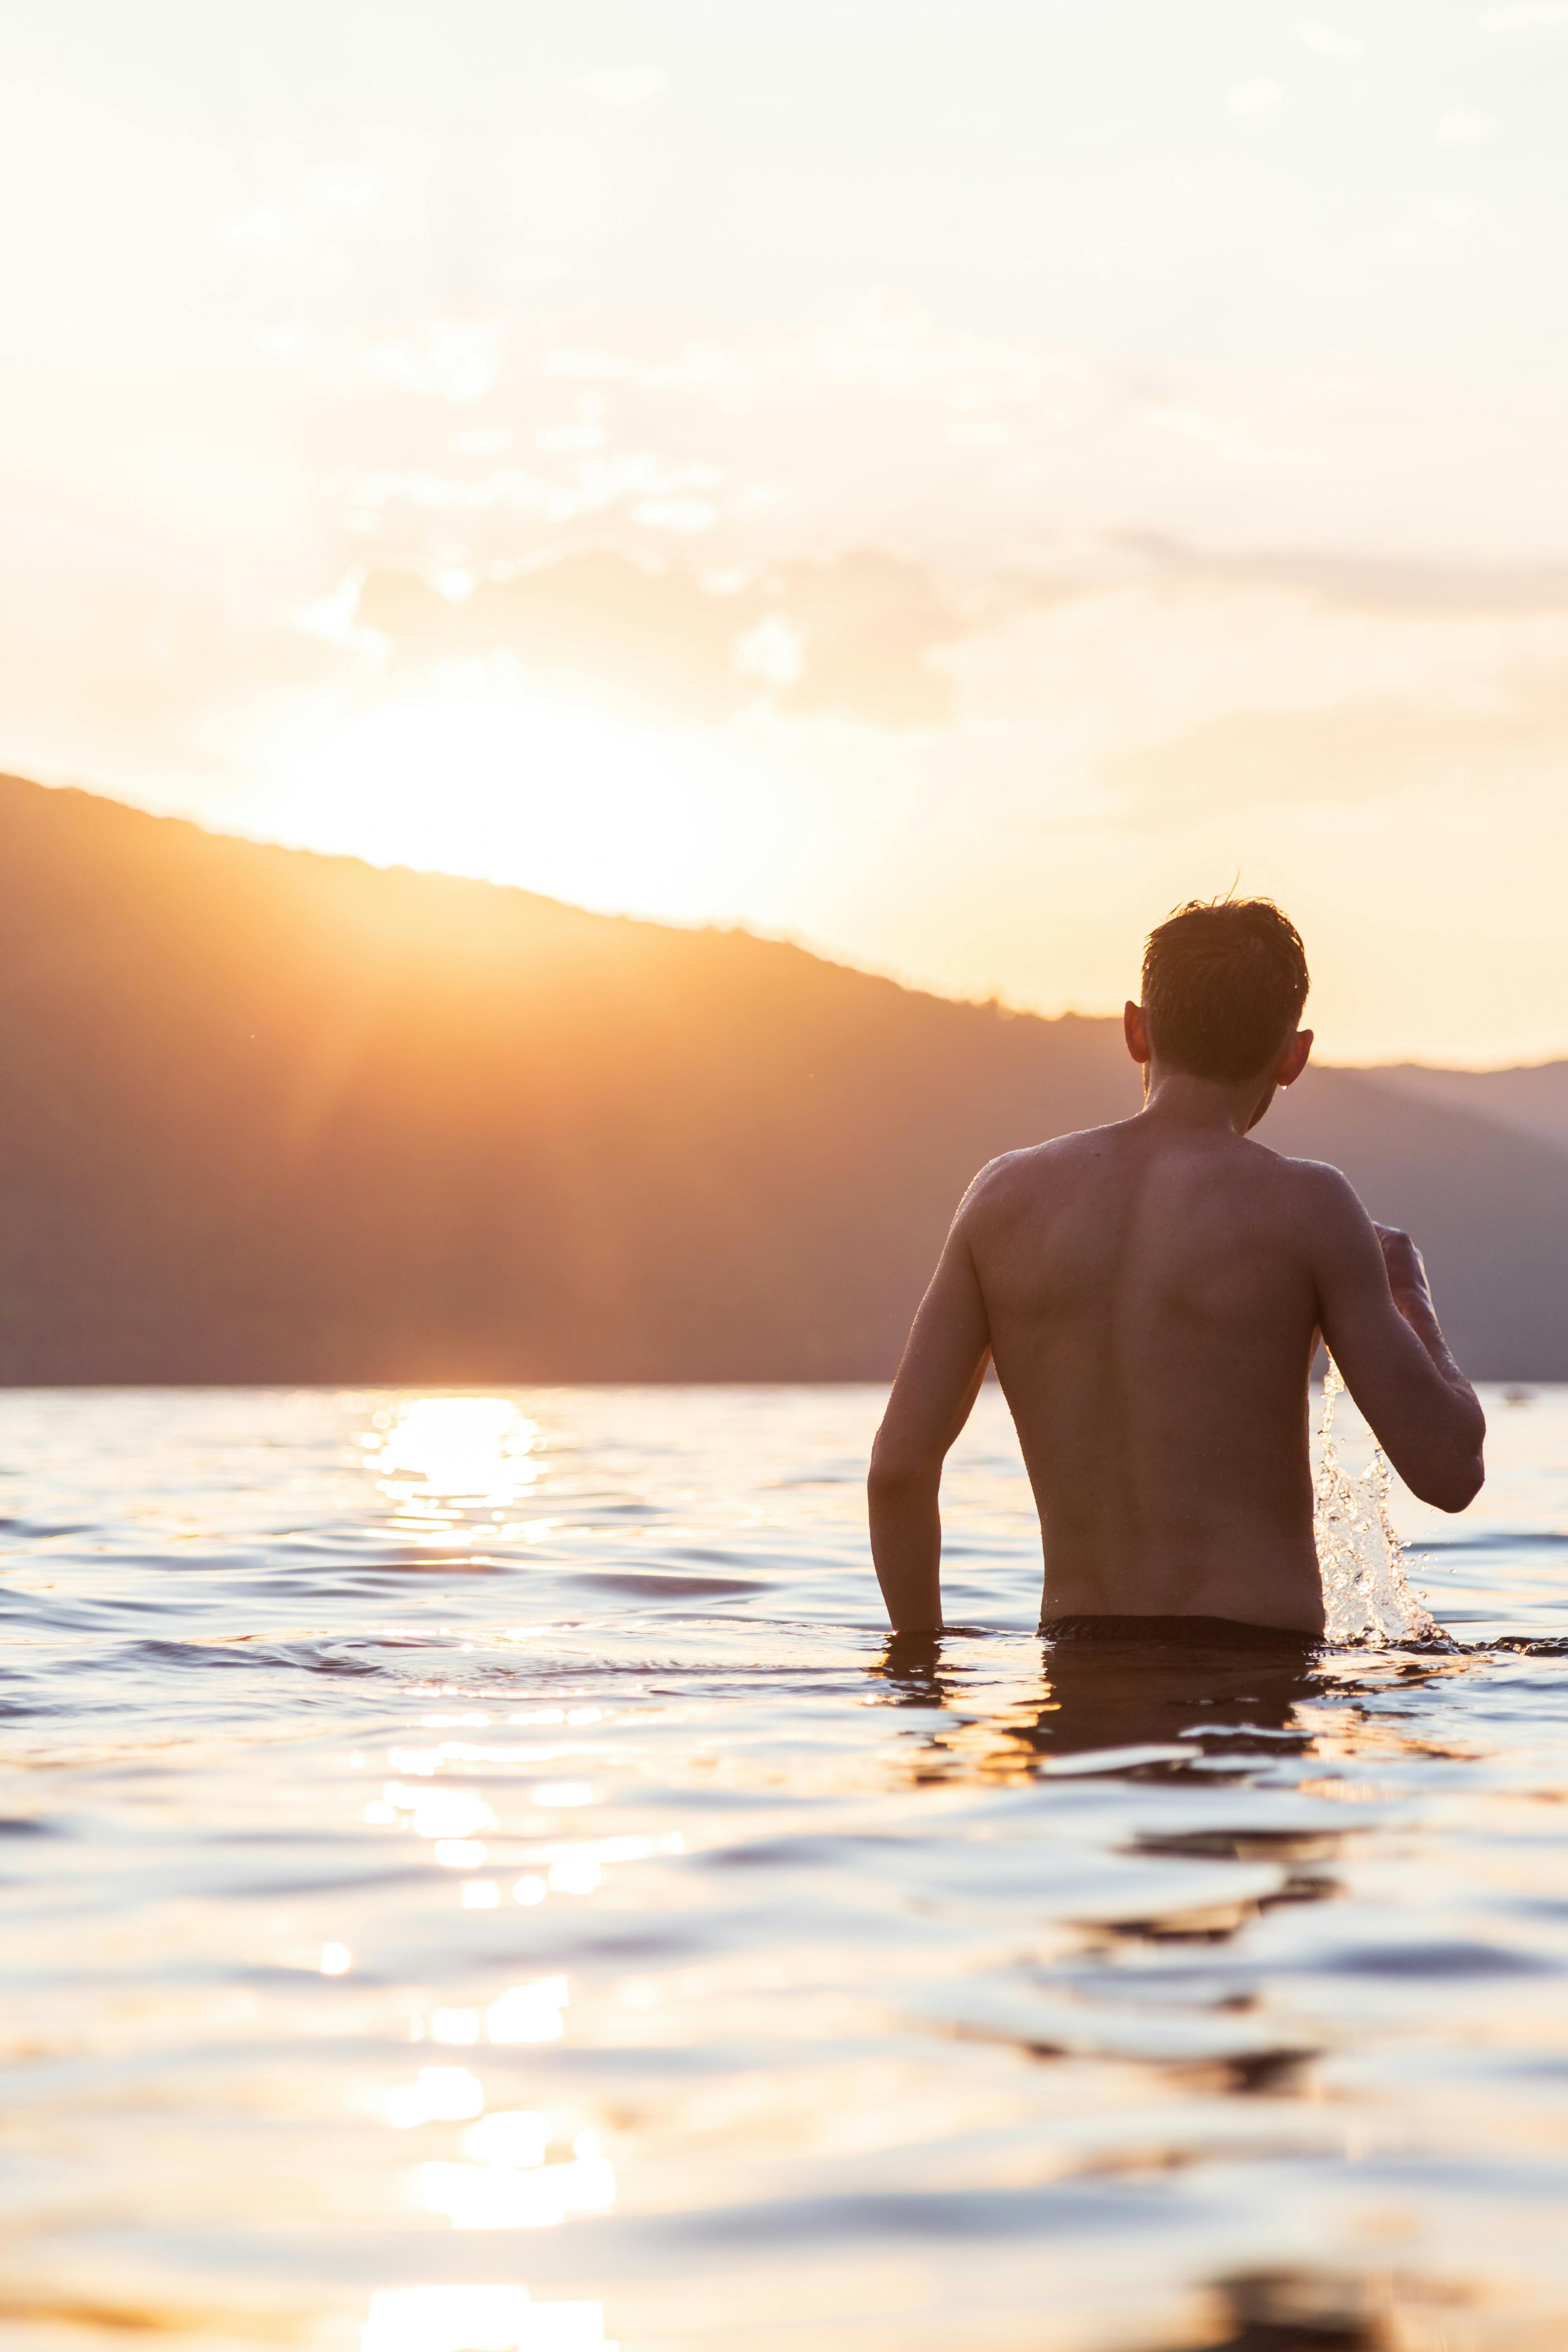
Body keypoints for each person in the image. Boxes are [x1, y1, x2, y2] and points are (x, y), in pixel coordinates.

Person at [868, 897, 1485, 1639]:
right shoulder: (1310, 1205)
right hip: (1252, 1697)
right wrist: (1406, 1288)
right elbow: (1450, 1472)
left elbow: (898, 1474)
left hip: (1075, 1685)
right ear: (1293, 1054)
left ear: (1136, 1029)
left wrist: (921, 1669)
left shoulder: (1003, 1197)